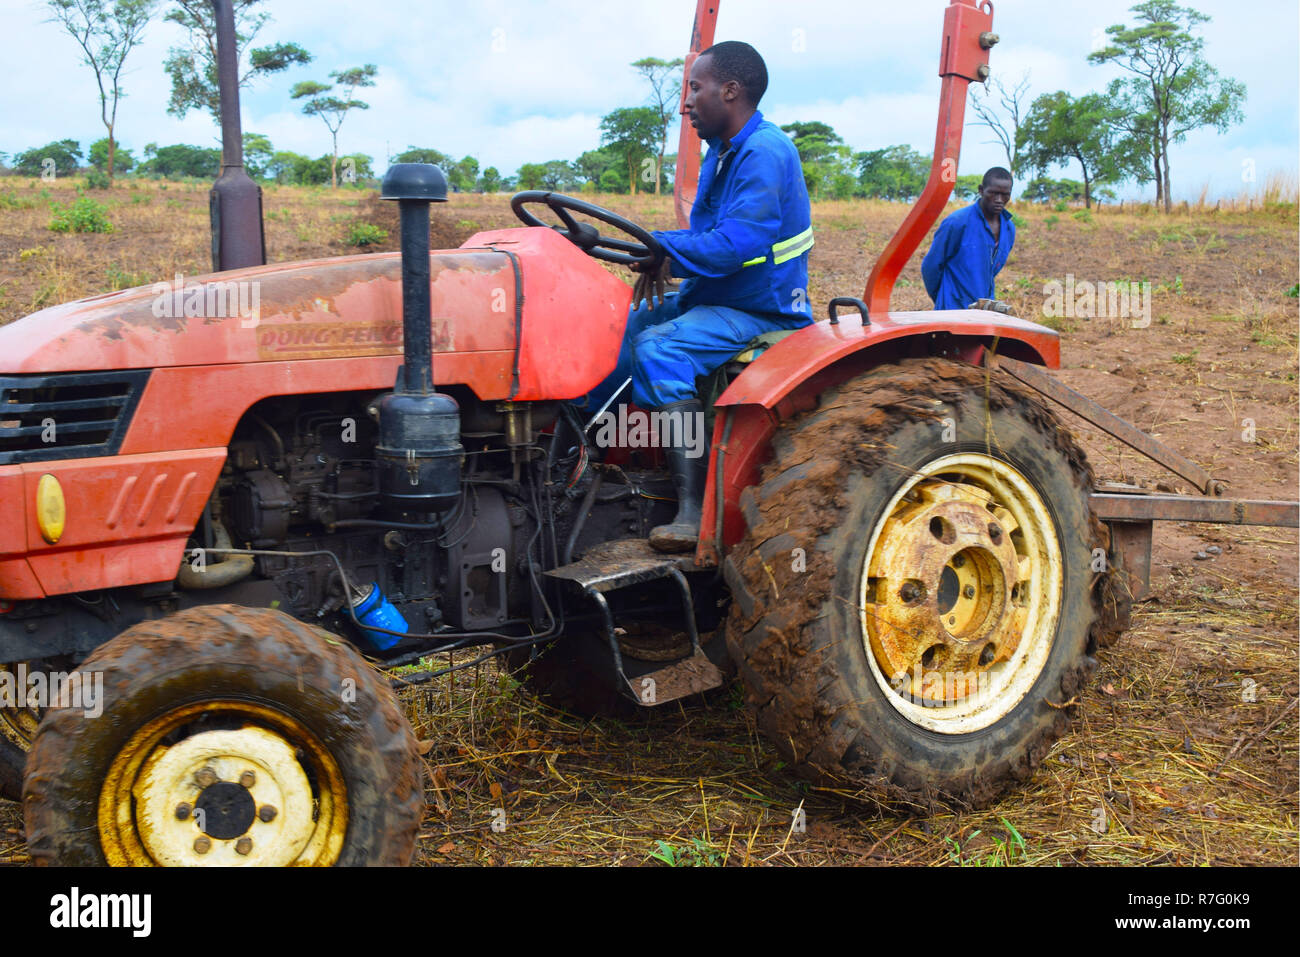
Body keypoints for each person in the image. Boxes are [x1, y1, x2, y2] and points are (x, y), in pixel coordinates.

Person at [576, 40, 814, 553]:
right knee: (620, 325)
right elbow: (708, 237)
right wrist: (658, 251)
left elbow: (739, 242)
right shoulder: (723, 152)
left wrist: (666, 252)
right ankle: (580, 457)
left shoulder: (765, 152)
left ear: (730, 91)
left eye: (694, 88)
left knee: (660, 348)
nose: (686, 101)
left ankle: (691, 509)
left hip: (759, 305)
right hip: (716, 294)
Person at [921, 167, 1015, 310]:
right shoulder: (957, 222)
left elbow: (991, 270)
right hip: (952, 310)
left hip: (985, 311)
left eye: (1005, 195)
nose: (999, 200)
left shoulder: (1009, 229)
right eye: (993, 193)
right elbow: (931, 266)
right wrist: (943, 298)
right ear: (981, 190)